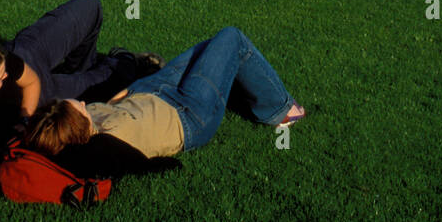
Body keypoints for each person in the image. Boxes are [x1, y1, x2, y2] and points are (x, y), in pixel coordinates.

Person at [0, 0, 161, 172]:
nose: (5, 75)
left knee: (91, 6)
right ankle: (127, 59)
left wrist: (26, 118)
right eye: (0, 78)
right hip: (48, 95)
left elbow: (31, 82)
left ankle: (79, 68)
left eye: (4, 71)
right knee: (110, 77)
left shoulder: (3, 62)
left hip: (29, 59)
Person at [25, 27, 304, 169]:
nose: (85, 103)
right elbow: (120, 164)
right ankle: (280, 109)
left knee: (212, 48)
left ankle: (238, 86)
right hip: (189, 111)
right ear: (78, 127)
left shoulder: (81, 126)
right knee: (232, 39)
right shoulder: (107, 144)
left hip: (152, 89)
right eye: (82, 108)